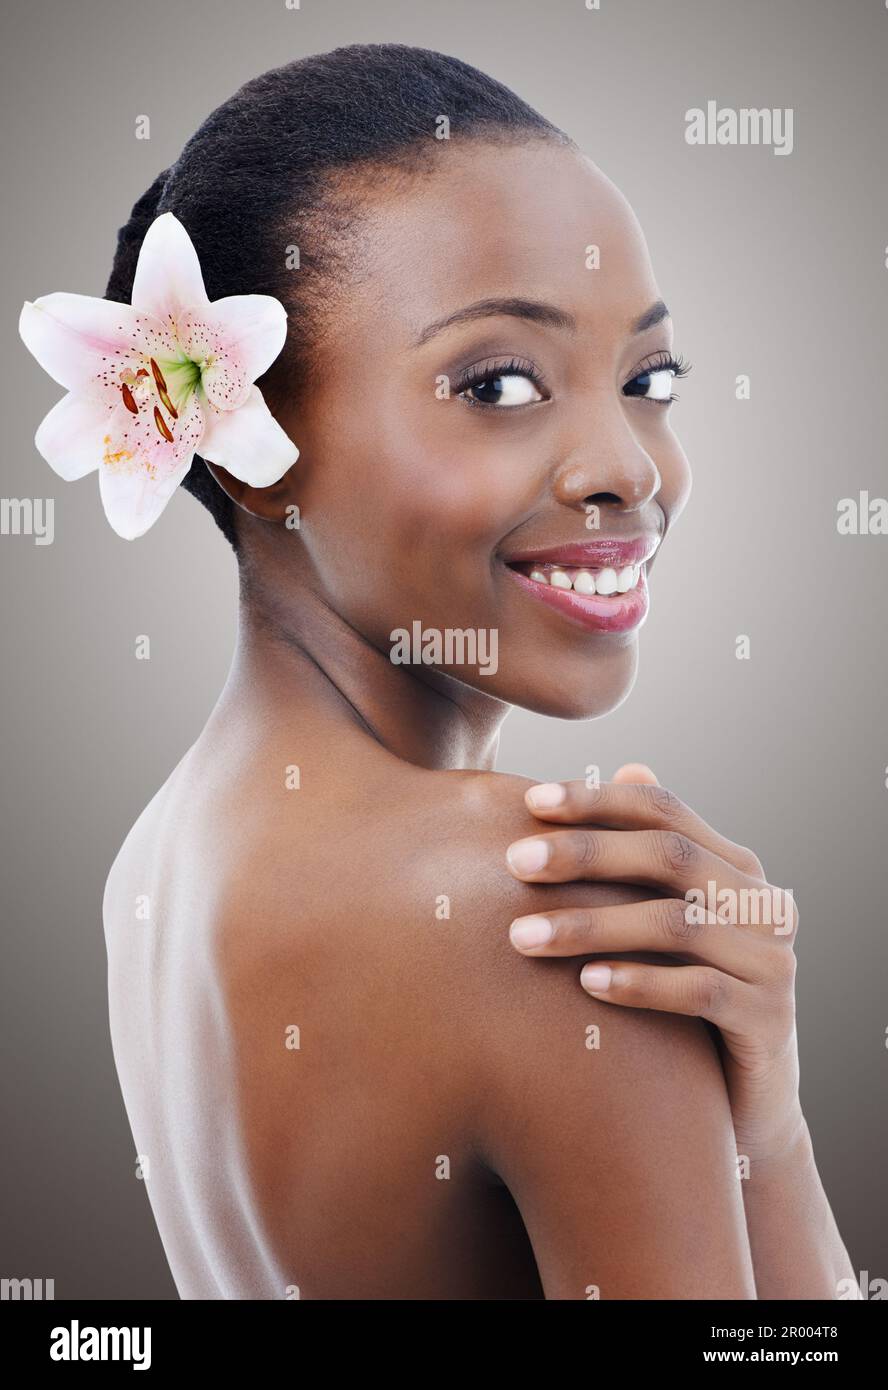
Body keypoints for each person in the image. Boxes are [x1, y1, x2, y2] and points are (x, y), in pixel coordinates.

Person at [100, 44, 853, 1299]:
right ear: (249, 448)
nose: (627, 465)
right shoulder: (553, 919)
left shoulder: (154, 865)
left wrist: (763, 1124)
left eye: (646, 379)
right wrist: (770, 1148)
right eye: (499, 383)